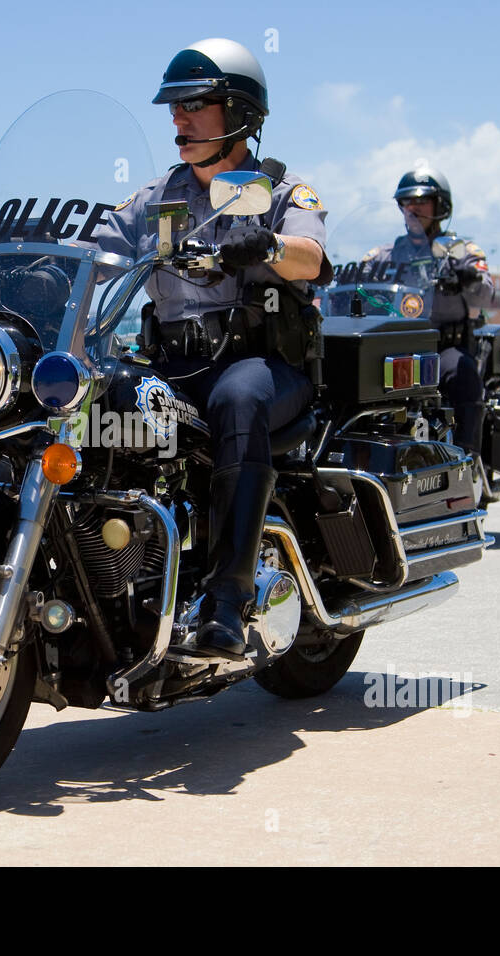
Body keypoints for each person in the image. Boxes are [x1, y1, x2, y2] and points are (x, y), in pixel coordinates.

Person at [92, 37, 331, 660]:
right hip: (175, 363)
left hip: (263, 366)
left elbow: (313, 258)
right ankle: (106, 580)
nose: (179, 118)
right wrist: (36, 262)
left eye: (196, 104)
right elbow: (99, 247)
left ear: (240, 115)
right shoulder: (156, 196)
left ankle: (228, 599)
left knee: (240, 397)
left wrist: (270, 247)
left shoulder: (282, 191)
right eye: (174, 106)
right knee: (95, 400)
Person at [359, 168, 493, 454]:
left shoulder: (461, 250)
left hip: (442, 346)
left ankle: (468, 458)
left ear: (440, 206)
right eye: (407, 203)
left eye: (421, 201)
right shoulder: (383, 255)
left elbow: (486, 294)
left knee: (462, 373)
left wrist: (467, 277)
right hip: (392, 347)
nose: (413, 209)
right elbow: (354, 287)